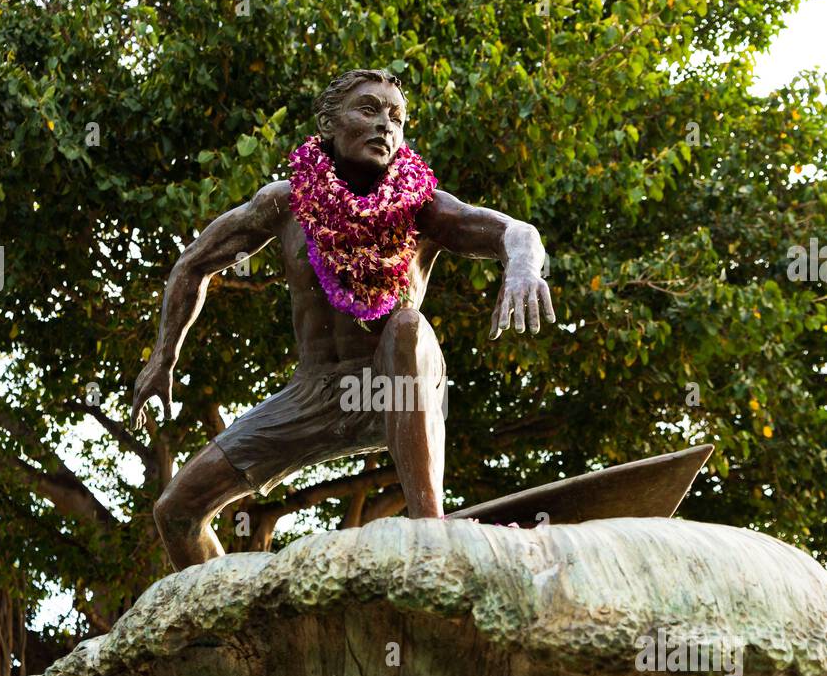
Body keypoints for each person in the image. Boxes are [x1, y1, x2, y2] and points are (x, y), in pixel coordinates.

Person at [131, 67, 555, 569]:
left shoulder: (420, 208)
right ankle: (237, 630)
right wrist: (164, 358)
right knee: (176, 512)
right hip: (313, 393)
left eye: (396, 118)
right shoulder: (285, 203)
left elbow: (514, 231)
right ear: (330, 125)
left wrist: (524, 267)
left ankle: (430, 534)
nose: (385, 126)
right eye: (369, 110)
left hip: (397, 380)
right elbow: (194, 261)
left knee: (404, 326)